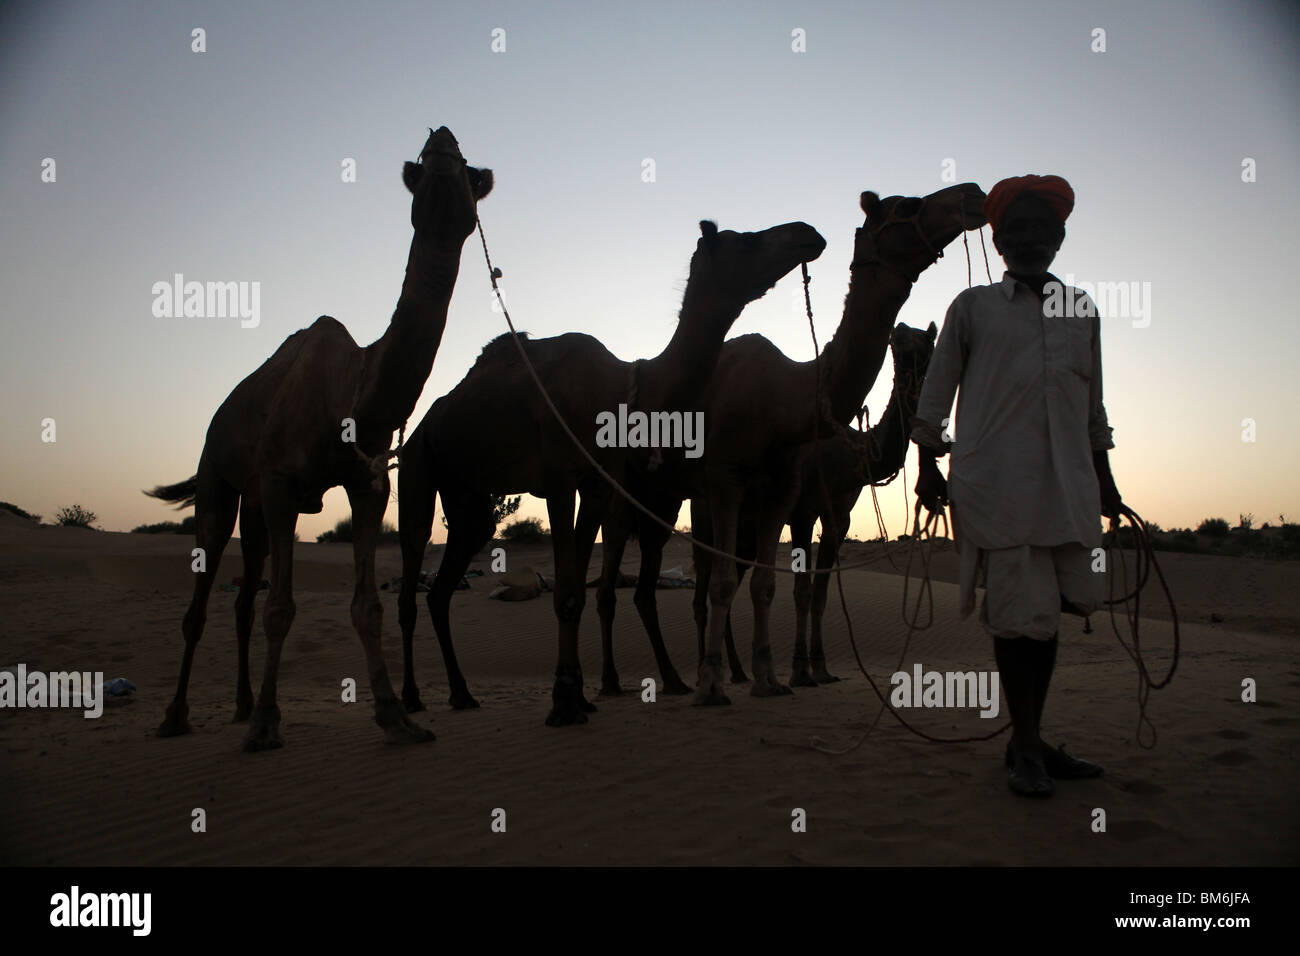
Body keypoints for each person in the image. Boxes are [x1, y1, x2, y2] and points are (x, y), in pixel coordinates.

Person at [910, 174, 1123, 797]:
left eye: (1040, 229)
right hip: (996, 486)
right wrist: (927, 464)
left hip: (1069, 486)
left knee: (1050, 616)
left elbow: (1094, 409)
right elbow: (936, 390)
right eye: (1016, 230)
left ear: (1058, 237)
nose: (1029, 239)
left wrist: (1106, 484)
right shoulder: (971, 308)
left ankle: (1027, 739)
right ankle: (1027, 746)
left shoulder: (1082, 310)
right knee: (1015, 618)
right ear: (999, 241)